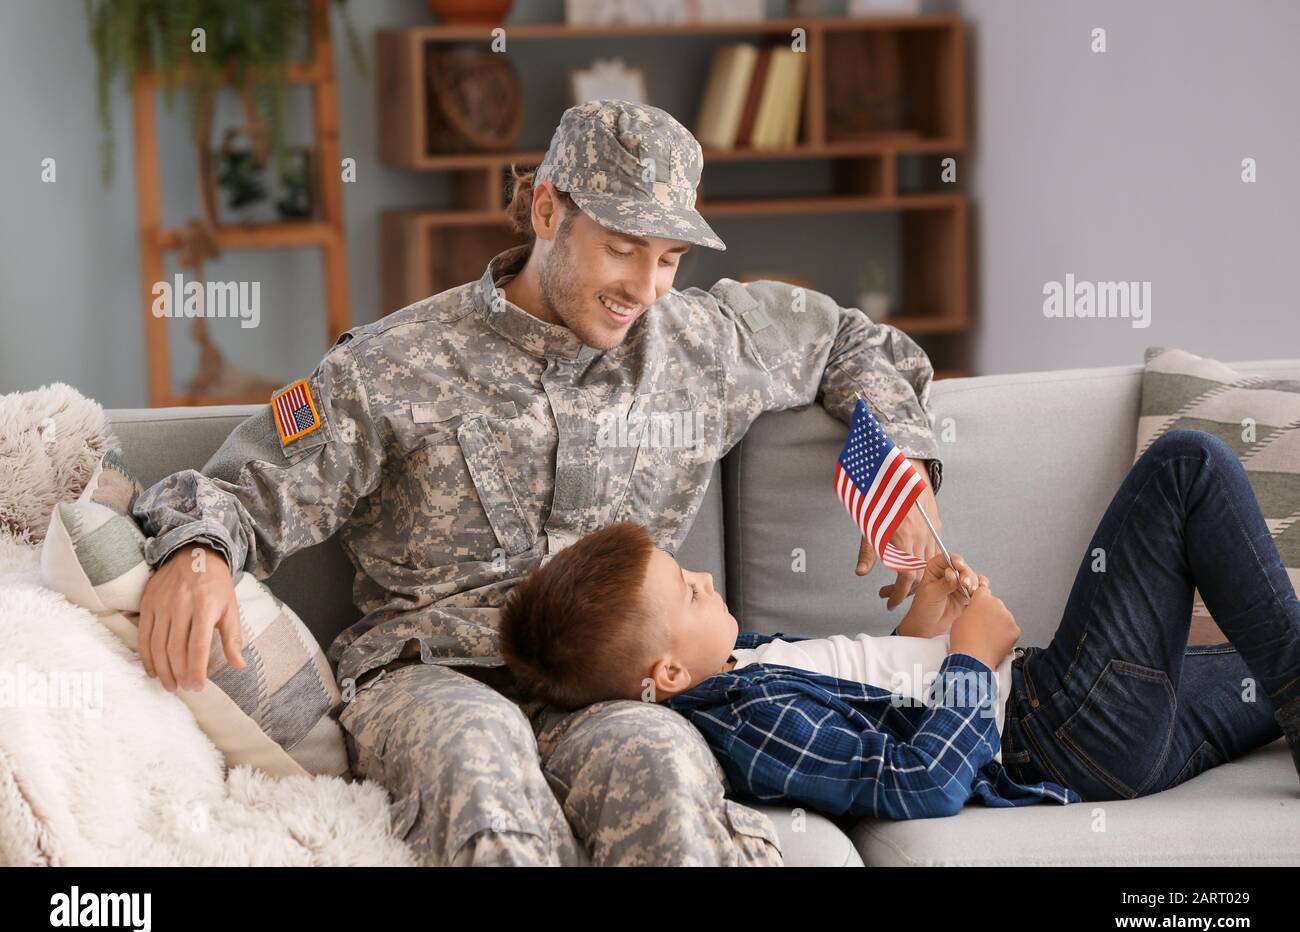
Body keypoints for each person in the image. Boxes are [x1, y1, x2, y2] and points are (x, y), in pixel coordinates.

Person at [130, 100, 949, 865]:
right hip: (437, 678)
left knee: (665, 767)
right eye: (623, 248)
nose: (645, 288)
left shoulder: (700, 344)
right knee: (479, 765)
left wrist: (896, 464)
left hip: (612, 689)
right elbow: (240, 490)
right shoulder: (393, 365)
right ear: (548, 210)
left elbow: (850, 339)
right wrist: (197, 550)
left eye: (669, 259)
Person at [498, 429, 1300, 820]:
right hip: (1063, 728)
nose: (707, 577)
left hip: (1104, 731)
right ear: (666, 674)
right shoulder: (746, 726)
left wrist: (933, 614)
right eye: (691, 592)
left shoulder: (742, 664)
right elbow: (919, 782)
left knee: (1277, 648)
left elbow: (882, 692)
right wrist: (975, 662)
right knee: (1188, 466)